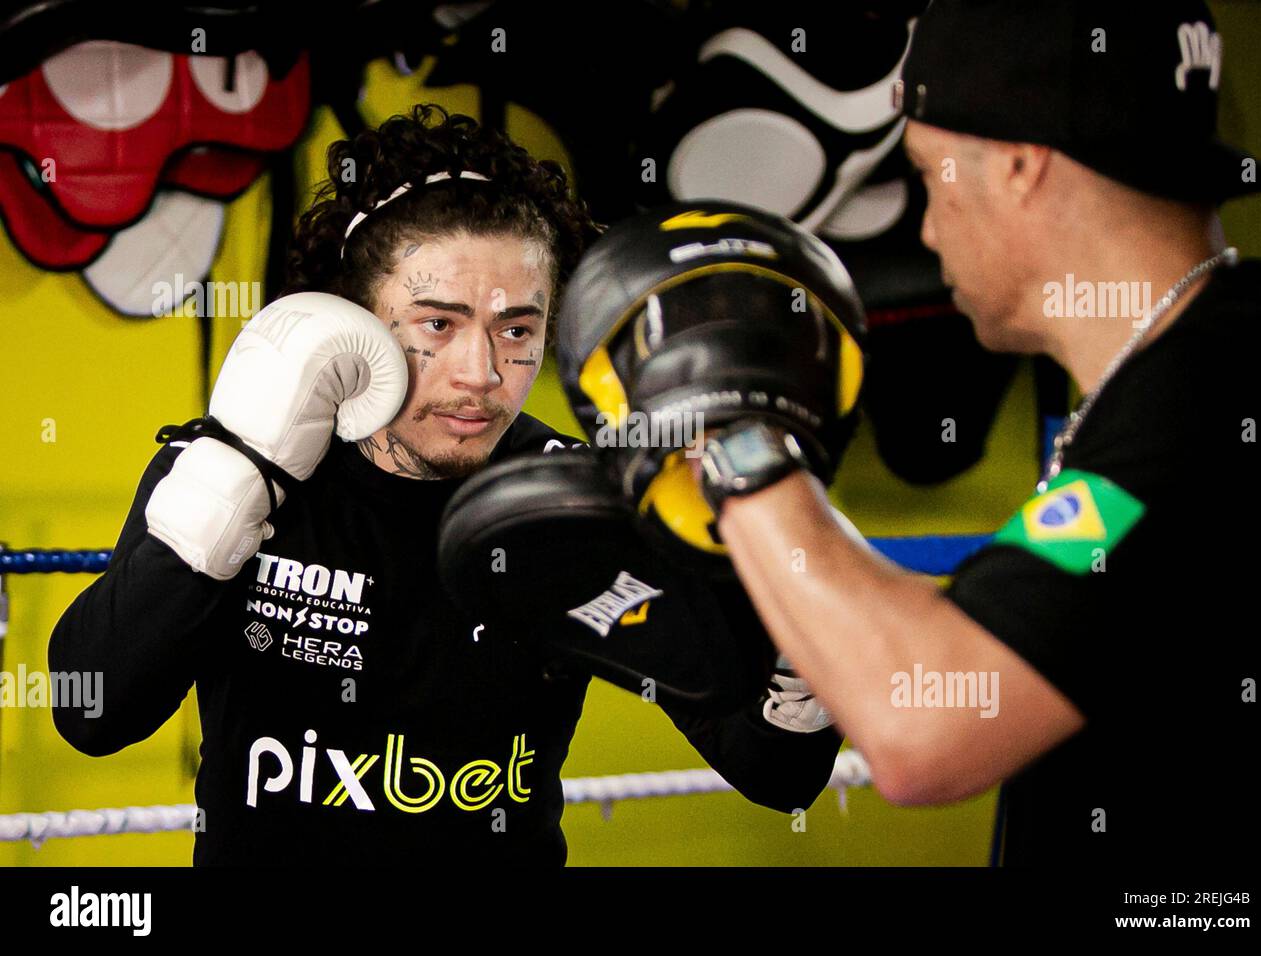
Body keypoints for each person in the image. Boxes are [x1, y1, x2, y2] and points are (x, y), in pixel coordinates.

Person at [47, 105, 841, 865]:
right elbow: (93, 710)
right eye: (438, 323)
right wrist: (233, 480)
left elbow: (777, 771)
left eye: (517, 329)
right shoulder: (240, 470)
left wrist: (790, 603)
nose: (483, 373)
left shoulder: (574, 503)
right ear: (357, 321)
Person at [679, 0, 1261, 865]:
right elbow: (1018, 649)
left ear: (1017, 166)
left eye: (931, 175)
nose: (929, 228)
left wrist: (736, 444)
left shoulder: (1208, 396)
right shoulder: (1209, 367)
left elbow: (926, 726)